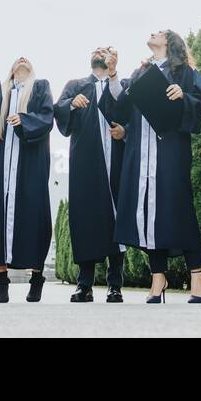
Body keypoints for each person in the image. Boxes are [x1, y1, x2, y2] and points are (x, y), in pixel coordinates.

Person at [114, 30, 201, 304]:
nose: (151, 33)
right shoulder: (140, 71)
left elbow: (197, 103)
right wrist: (112, 76)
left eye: (158, 32)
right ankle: (158, 277)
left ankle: (198, 274)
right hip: (140, 154)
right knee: (146, 215)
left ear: (168, 41)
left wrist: (183, 96)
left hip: (169, 152)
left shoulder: (183, 71)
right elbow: (122, 109)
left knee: (180, 209)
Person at [54, 46, 127, 302]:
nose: (101, 51)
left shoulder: (121, 83)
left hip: (116, 161)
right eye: (98, 49)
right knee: (86, 218)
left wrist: (125, 131)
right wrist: (71, 105)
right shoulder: (75, 85)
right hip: (86, 162)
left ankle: (115, 284)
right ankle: (84, 284)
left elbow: (132, 113)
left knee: (117, 219)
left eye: (107, 49)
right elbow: (59, 111)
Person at [0, 57, 54, 303]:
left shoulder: (41, 86)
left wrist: (23, 120)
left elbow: (47, 118)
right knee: (1, 216)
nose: (22, 58)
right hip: (5, 163)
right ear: (11, 69)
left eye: (26, 58)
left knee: (35, 215)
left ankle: (36, 278)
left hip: (31, 162)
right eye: (17, 59)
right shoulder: (2, 90)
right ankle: (1, 281)